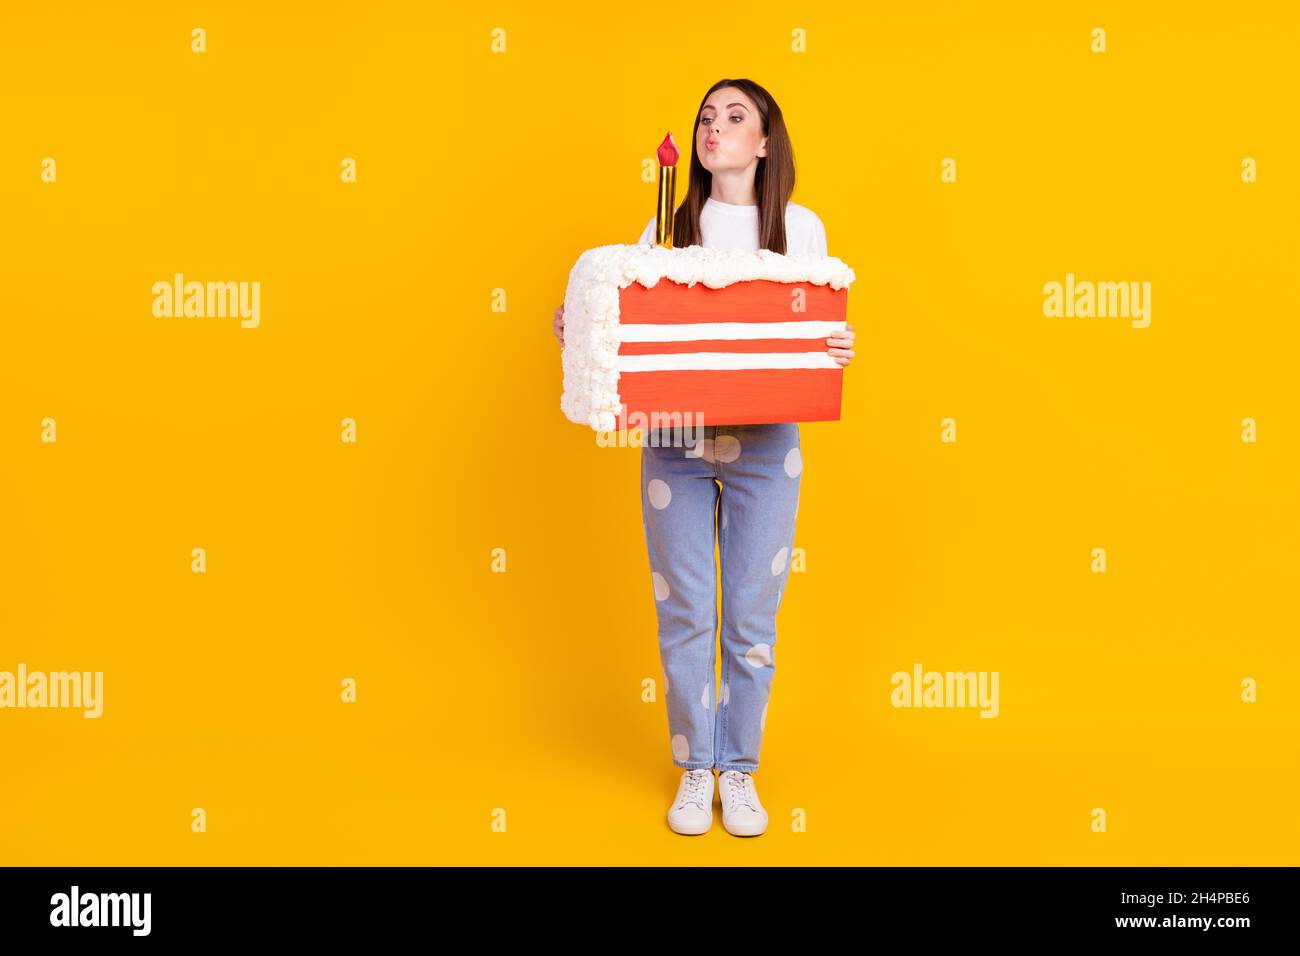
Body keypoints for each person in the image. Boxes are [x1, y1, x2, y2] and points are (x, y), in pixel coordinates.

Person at [553, 78, 855, 836]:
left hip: (768, 446)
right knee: (684, 609)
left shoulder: (801, 227)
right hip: (673, 443)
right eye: (704, 117)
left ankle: (740, 769)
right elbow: (637, 330)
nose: (713, 127)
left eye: (734, 116)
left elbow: (812, 327)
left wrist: (835, 347)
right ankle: (696, 766)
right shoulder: (666, 225)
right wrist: (584, 331)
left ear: (763, 142)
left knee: (752, 616)